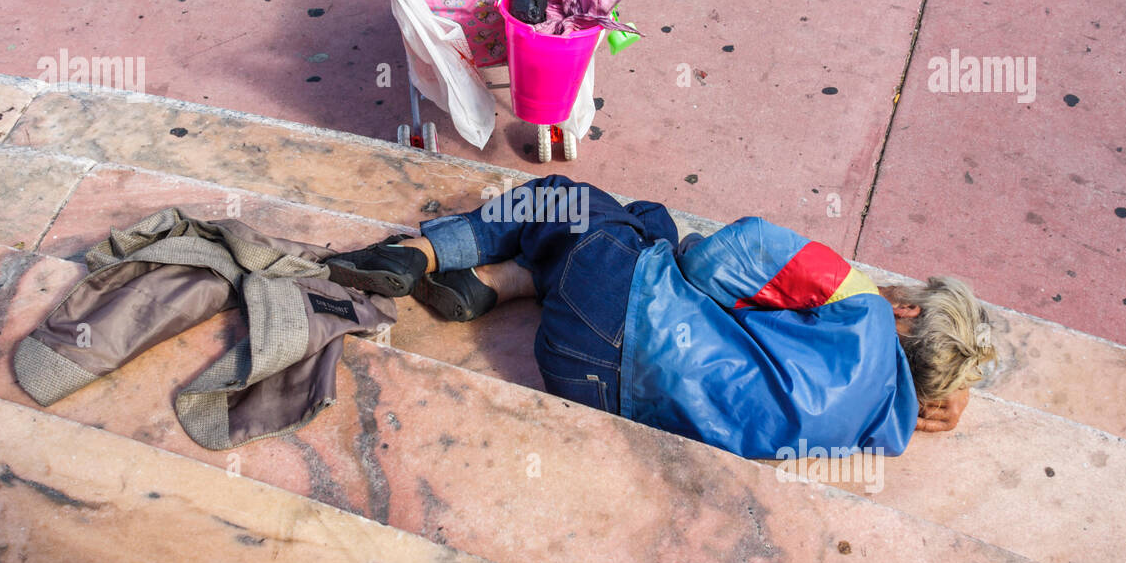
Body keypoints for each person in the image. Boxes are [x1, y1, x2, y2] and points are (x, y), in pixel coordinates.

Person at [326, 175, 996, 459]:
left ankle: (417, 252)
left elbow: (724, 258)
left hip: (616, 310)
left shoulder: (865, 306)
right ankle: (496, 286)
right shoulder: (874, 431)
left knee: (567, 199)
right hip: (591, 382)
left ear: (908, 310)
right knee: (648, 221)